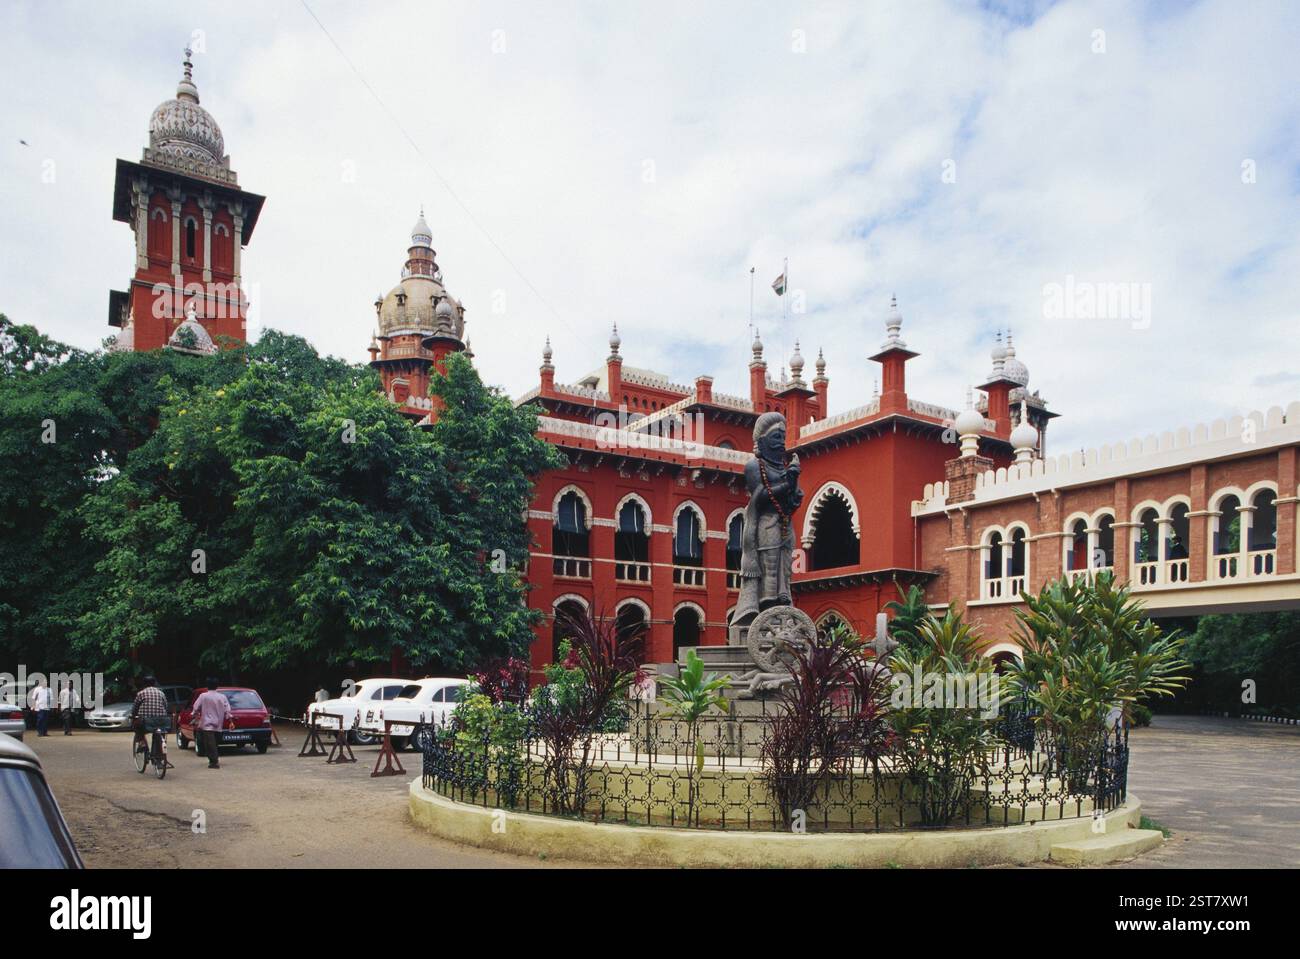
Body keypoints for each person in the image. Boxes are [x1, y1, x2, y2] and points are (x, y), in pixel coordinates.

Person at [191, 679, 231, 769]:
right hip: (219, 724)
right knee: (214, 743)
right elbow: (227, 709)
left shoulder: (203, 696)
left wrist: (194, 714)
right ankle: (213, 759)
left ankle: (214, 762)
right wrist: (230, 720)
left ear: (207, 686)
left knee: (209, 744)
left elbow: (196, 707)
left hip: (207, 724)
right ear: (217, 686)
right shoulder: (222, 697)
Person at [131, 675, 170, 758]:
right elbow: (166, 706)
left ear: (144, 684)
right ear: (155, 683)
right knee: (160, 732)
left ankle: (142, 743)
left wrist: (133, 716)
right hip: (162, 720)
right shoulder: (161, 693)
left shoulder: (141, 693)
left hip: (146, 721)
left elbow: (135, 708)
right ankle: (159, 756)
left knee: (136, 725)